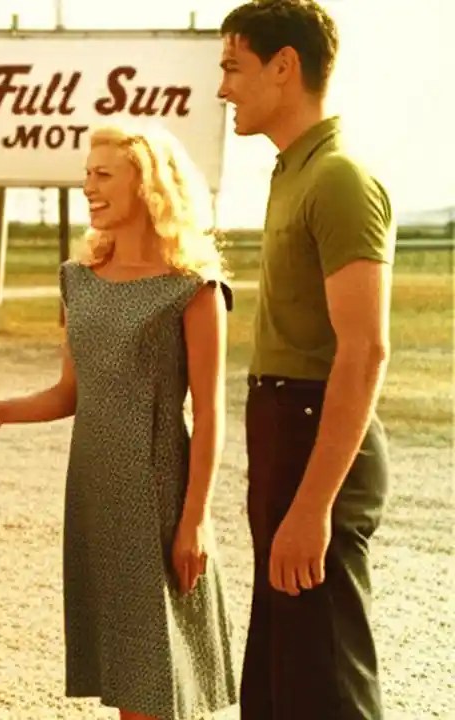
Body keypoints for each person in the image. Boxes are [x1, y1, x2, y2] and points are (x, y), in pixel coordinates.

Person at [0, 123, 238, 720]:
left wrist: (196, 519)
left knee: (157, 679)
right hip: (94, 491)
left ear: (148, 186)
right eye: (86, 176)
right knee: (128, 677)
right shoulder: (77, 280)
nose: (89, 188)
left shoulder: (194, 289)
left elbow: (210, 413)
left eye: (103, 175)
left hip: (157, 495)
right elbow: (69, 393)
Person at [217, 2, 394, 718]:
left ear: (283, 67)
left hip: (319, 434)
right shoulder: (294, 170)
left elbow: (366, 348)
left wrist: (313, 505)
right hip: (284, 427)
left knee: (327, 684)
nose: (223, 88)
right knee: (283, 679)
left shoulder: (339, 178)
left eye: (234, 67)